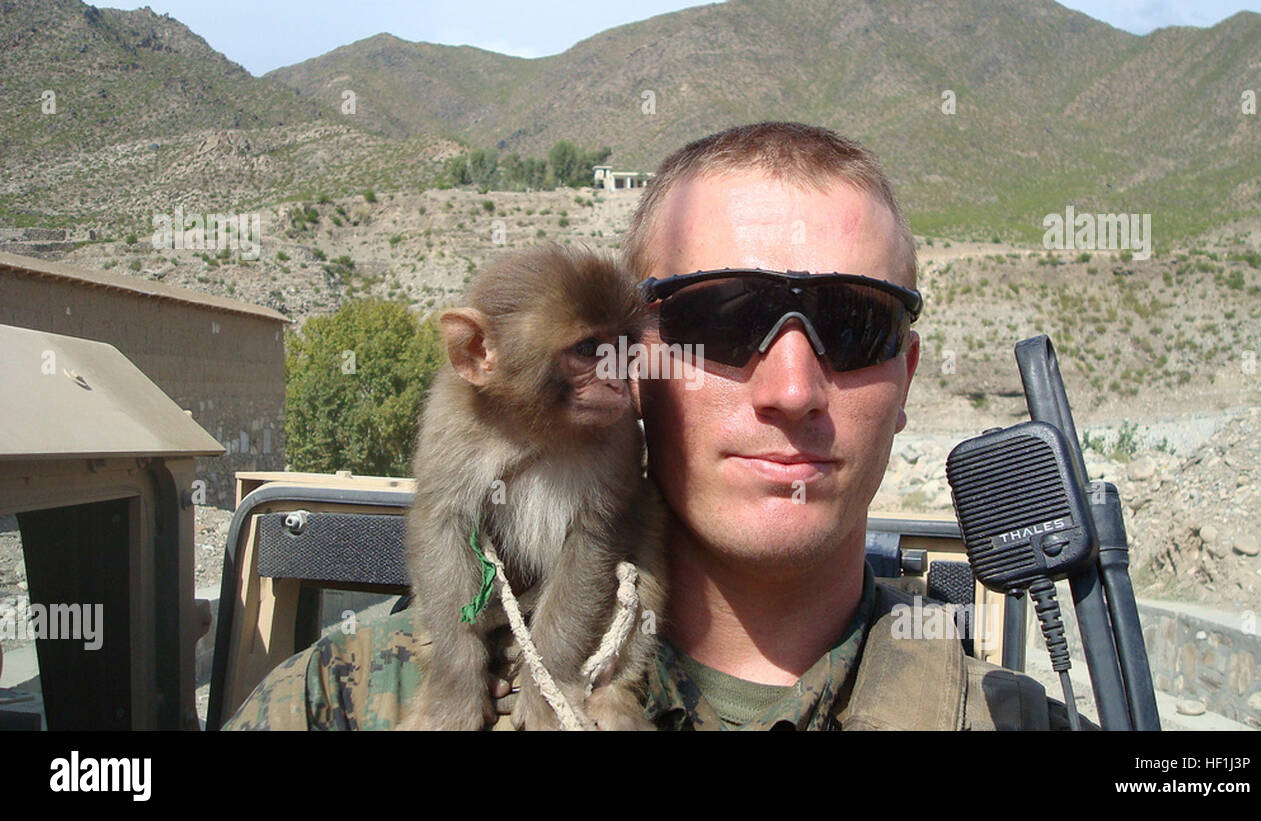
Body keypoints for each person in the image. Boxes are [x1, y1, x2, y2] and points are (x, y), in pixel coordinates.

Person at [223, 121, 1080, 731]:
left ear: (905, 379)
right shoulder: (353, 695)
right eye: (721, 319)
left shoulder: (1004, 718)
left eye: (854, 324)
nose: (791, 388)